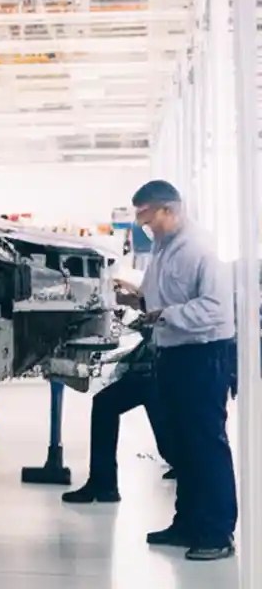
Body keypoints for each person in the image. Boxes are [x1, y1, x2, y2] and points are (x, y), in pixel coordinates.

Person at [124, 180, 237, 561]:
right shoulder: (163, 246)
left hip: (202, 355)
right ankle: (187, 522)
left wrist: (165, 315)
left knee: (205, 443)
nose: (146, 228)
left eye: (148, 220)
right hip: (173, 353)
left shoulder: (200, 248)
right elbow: (157, 293)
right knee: (182, 444)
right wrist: (135, 299)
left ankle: (217, 532)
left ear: (169, 210)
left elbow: (217, 308)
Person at [60, 327, 178, 505]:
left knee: (107, 405)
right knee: (107, 404)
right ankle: (104, 485)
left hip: (161, 368)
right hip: (157, 366)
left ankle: (104, 485)